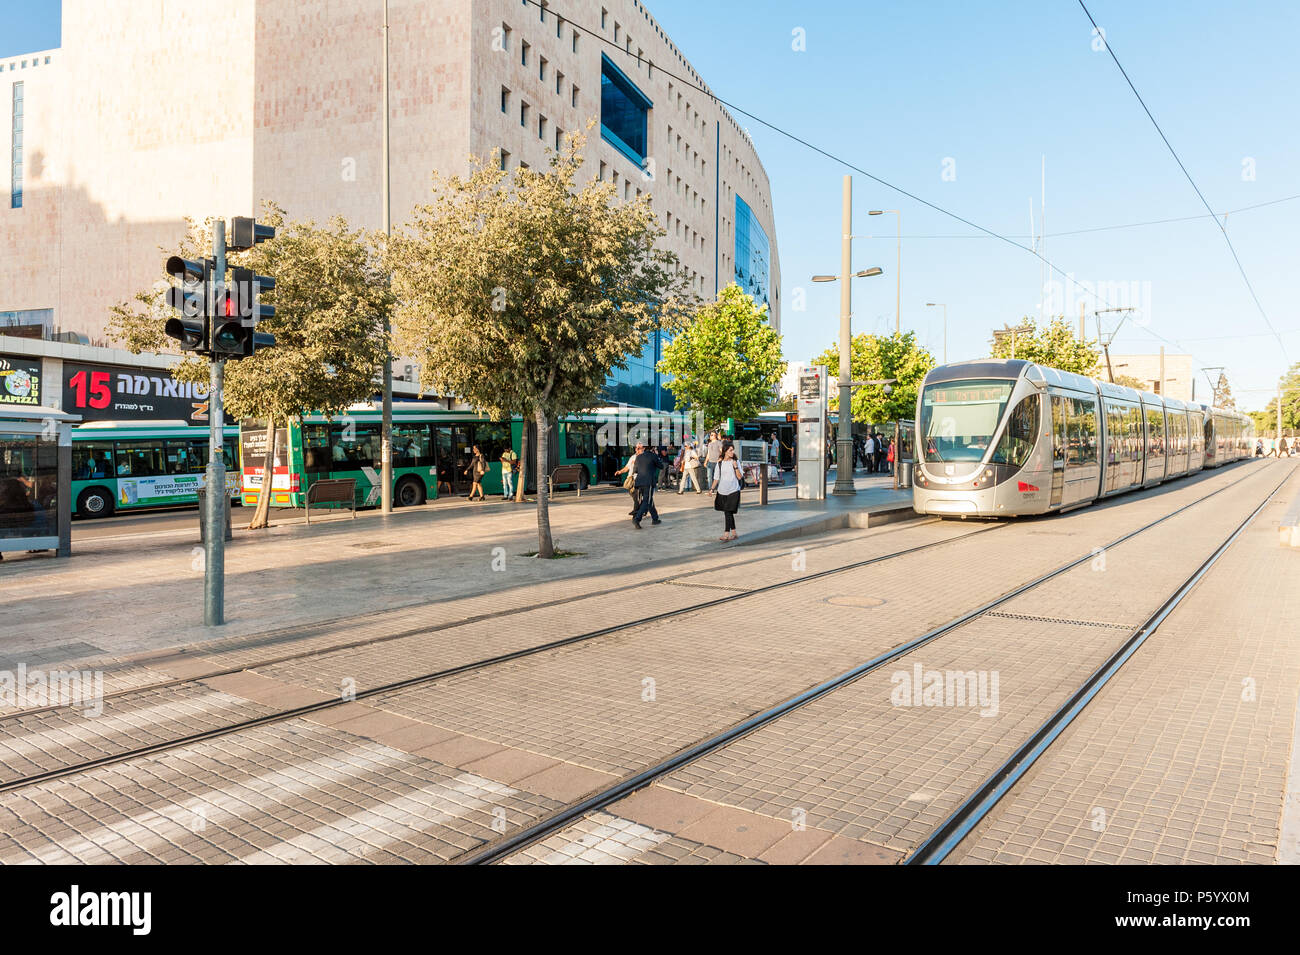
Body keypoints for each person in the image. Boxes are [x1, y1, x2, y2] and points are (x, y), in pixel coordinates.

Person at [615, 441, 664, 528]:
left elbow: (635, 470)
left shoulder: (638, 457)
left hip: (639, 482)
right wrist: (656, 457)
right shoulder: (653, 456)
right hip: (648, 482)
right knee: (646, 501)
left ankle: (655, 519)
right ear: (652, 448)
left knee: (649, 500)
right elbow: (661, 466)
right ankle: (637, 519)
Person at [711, 443, 744, 542]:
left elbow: (739, 477)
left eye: (733, 450)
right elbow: (716, 478)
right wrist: (712, 489)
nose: (732, 452)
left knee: (727, 512)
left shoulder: (735, 462)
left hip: (733, 490)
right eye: (730, 450)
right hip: (722, 491)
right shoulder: (720, 463)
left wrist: (735, 467)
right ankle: (734, 533)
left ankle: (726, 534)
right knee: (728, 512)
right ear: (725, 451)